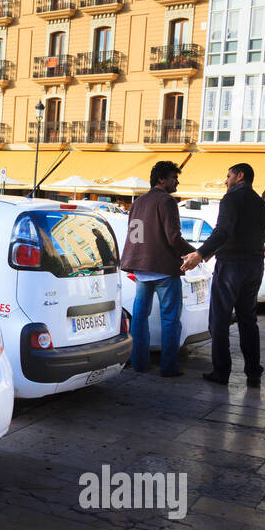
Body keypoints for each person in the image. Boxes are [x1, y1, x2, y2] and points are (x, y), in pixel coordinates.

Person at [181, 162, 265, 388]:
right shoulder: (261, 204)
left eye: (228, 176)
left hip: (232, 267)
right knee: (248, 321)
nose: (226, 180)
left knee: (219, 320)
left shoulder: (231, 198)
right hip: (255, 265)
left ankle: (221, 372)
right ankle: (253, 373)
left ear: (240, 176)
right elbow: (244, 234)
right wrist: (214, 251)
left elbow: (223, 231)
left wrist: (200, 254)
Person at [120, 160, 195, 377]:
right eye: (174, 177)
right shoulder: (167, 201)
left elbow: (135, 236)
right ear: (162, 179)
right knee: (170, 318)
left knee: (140, 317)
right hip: (163, 269)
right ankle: (169, 366)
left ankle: (140, 362)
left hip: (142, 269)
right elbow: (173, 237)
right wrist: (196, 253)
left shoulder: (138, 202)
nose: (177, 181)